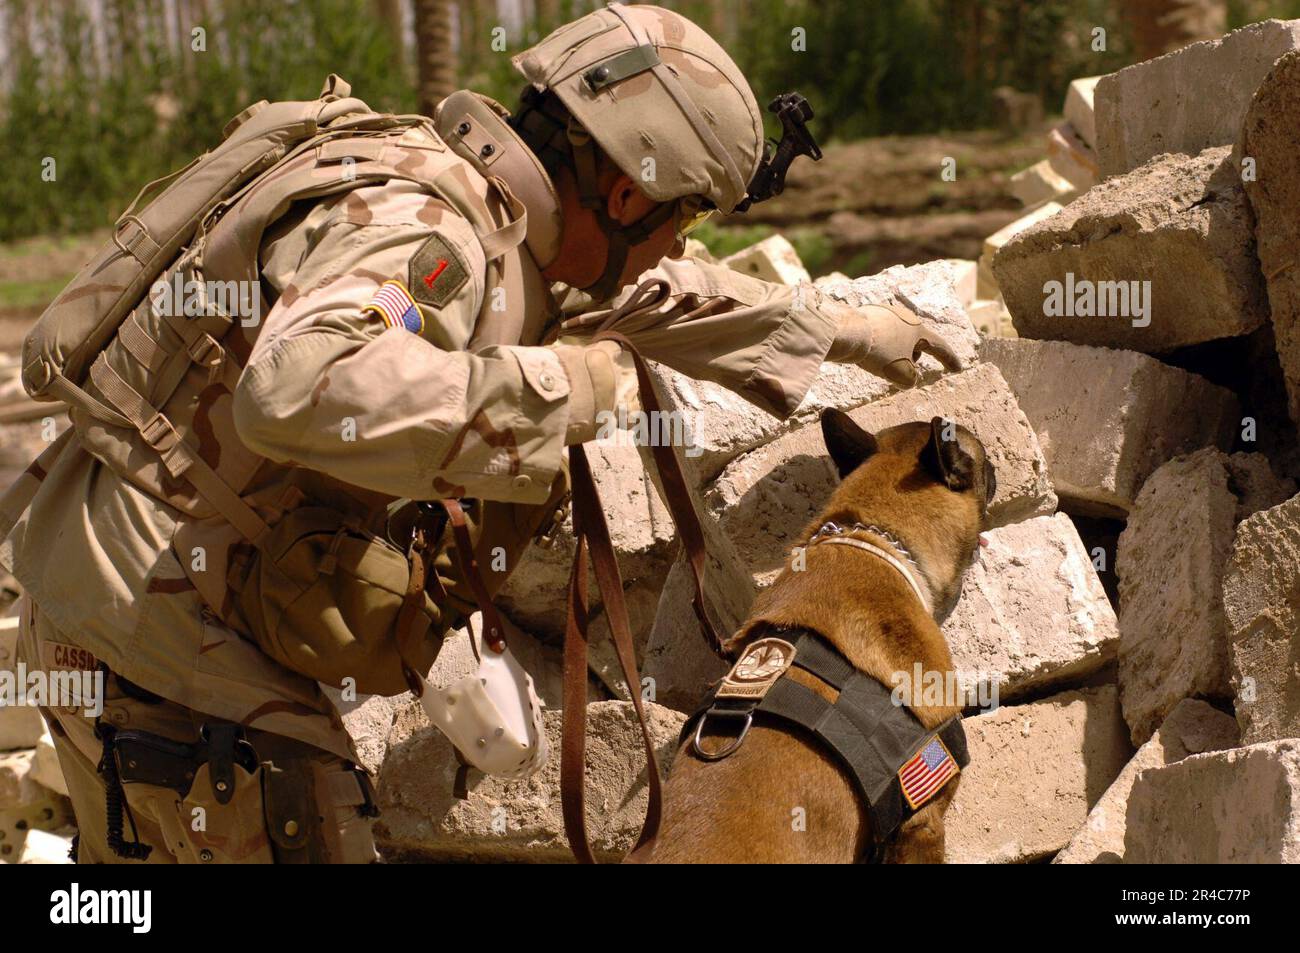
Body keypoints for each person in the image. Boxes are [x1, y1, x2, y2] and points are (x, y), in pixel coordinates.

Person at [1, 2, 960, 863]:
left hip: (119, 601)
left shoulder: (503, 210)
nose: (677, 247)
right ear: (625, 196)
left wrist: (850, 329)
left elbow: (658, 291)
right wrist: (574, 388)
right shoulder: (435, 233)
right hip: (155, 629)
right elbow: (295, 383)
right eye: (679, 220)